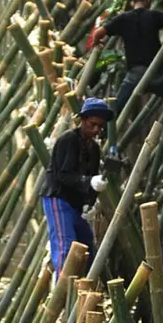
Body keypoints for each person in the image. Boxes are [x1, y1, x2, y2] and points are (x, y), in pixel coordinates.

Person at [89, 0, 163, 117]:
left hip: (135, 75)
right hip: (157, 73)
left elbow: (98, 33)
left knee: (115, 111)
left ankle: (102, 133)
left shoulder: (123, 19)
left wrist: (96, 43)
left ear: (133, 2)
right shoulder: (154, 16)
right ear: (149, 0)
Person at [41, 97, 112, 272]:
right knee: (65, 249)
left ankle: (81, 291)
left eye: (100, 127)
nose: (96, 130)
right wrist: (89, 182)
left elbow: (92, 178)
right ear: (84, 120)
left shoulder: (94, 148)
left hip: (76, 204)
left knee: (86, 247)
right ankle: (62, 294)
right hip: (58, 199)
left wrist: (91, 201)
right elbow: (63, 175)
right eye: (93, 124)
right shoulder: (68, 140)